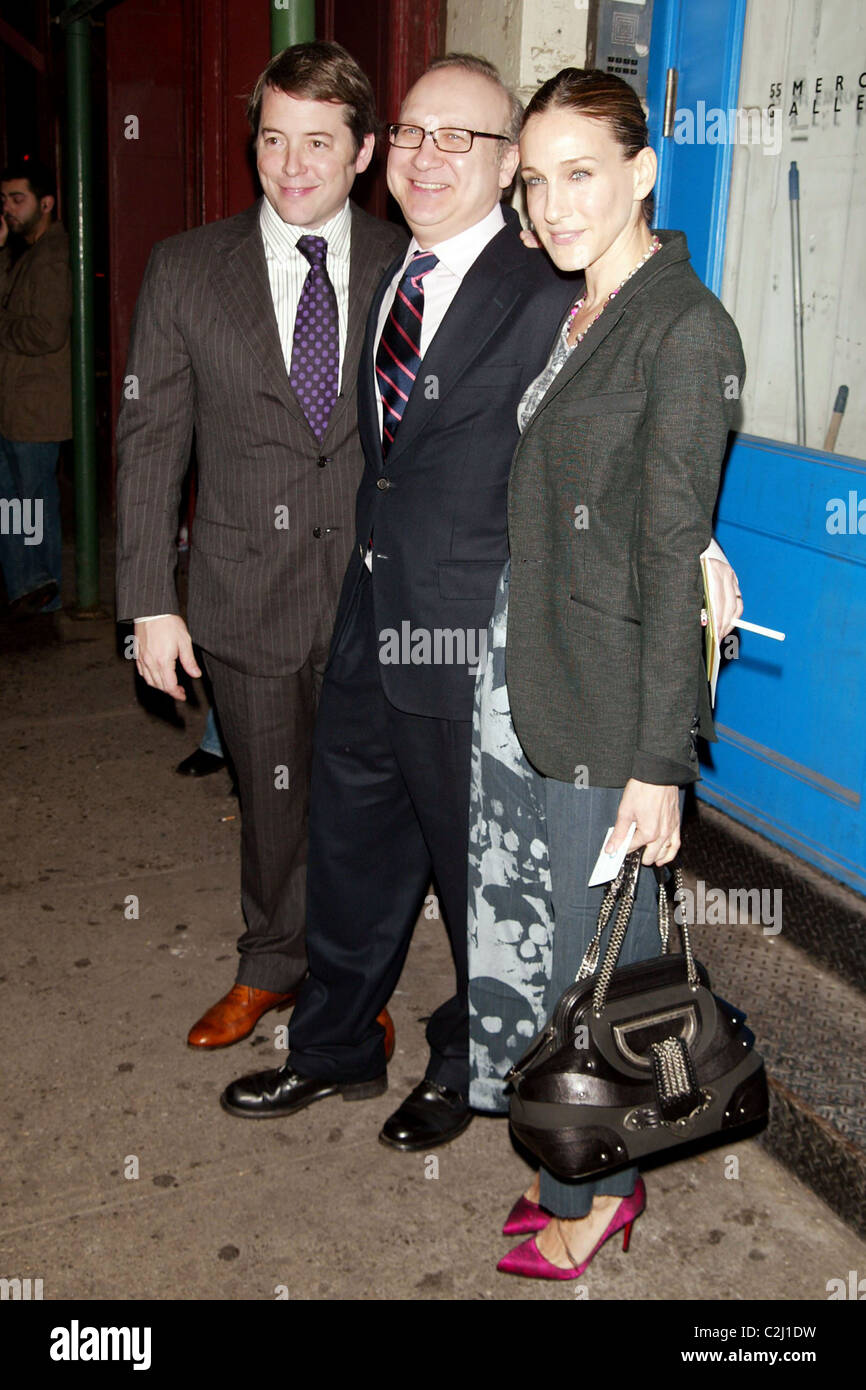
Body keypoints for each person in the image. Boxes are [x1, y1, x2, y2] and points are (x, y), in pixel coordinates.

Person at [220, 55, 741, 1150]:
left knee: (477, 886)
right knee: (351, 850)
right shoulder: (367, 267)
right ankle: (332, 1047)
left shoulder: (553, 279)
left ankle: (468, 1066)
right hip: (369, 616)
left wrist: (697, 549)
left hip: (479, 647)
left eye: (461, 137)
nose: (426, 155)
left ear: (505, 164)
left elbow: (637, 438)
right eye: (412, 132)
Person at [465, 68, 746, 1280]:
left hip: (606, 701)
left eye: (580, 172)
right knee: (565, 951)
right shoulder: (581, 307)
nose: (551, 201)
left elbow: (666, 542)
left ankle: (601, 1187)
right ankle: (562, 1165)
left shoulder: (686, 328)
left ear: (641, 171)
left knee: (607, 968)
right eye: (533, 178)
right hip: (542, 673)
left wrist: (656, 766)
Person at [116, 42, 407, 1050]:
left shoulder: (407, 264)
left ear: (362, 151)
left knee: (363, 805)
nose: (292, 165)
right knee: (273, 793)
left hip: (375, 599)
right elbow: (151, 439)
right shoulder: (188, 268)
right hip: (244, 596)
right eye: (274, 139)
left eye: (318, 143)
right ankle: (270, 964)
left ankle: (349, 975)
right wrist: (150, 602)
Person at [0, 159, 71, 618]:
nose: (7, 208)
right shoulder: (26, 253)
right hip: (16, 403)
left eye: (17, 199)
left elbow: (46, 333)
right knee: (13, 501)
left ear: (45, 204)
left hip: (35, 406)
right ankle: (27, 581)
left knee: (30, 499)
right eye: (3, 200)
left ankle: (43, 585)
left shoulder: (54, 255)